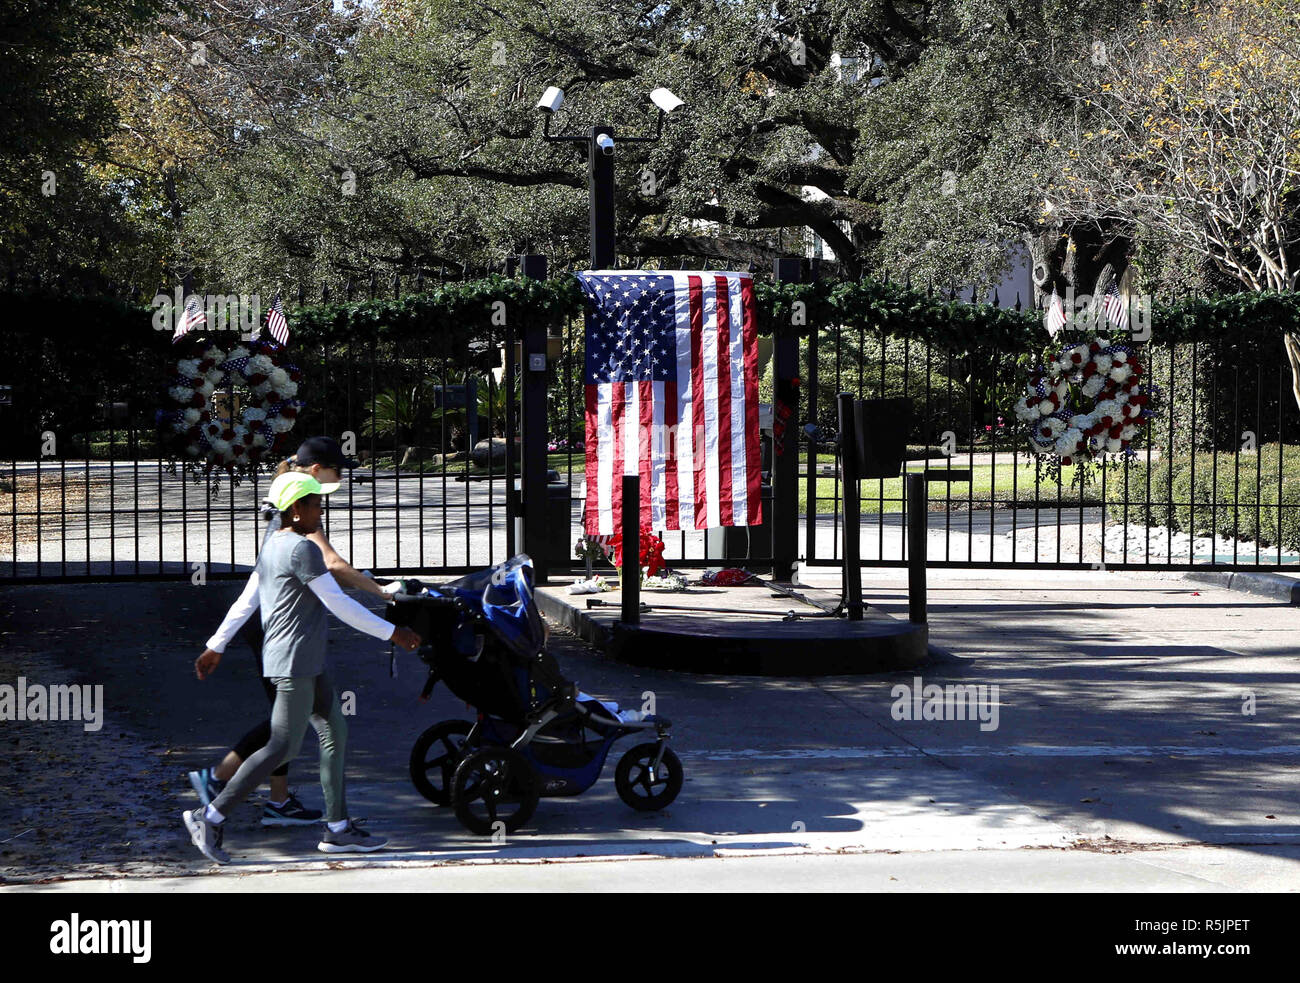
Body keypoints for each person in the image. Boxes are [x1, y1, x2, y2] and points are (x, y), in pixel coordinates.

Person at [183, 471, 421, 864]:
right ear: (295, 510)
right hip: (293, 663)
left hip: (303, 662)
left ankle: (338, 829)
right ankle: (209, 815)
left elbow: (247, 600)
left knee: (334, 732)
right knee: (282, 745)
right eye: (315, 504)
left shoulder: (274, 545)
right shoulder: (300, 550)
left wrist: (216, 645)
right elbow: (338, 604)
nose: (320, 512)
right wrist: (391, 632)